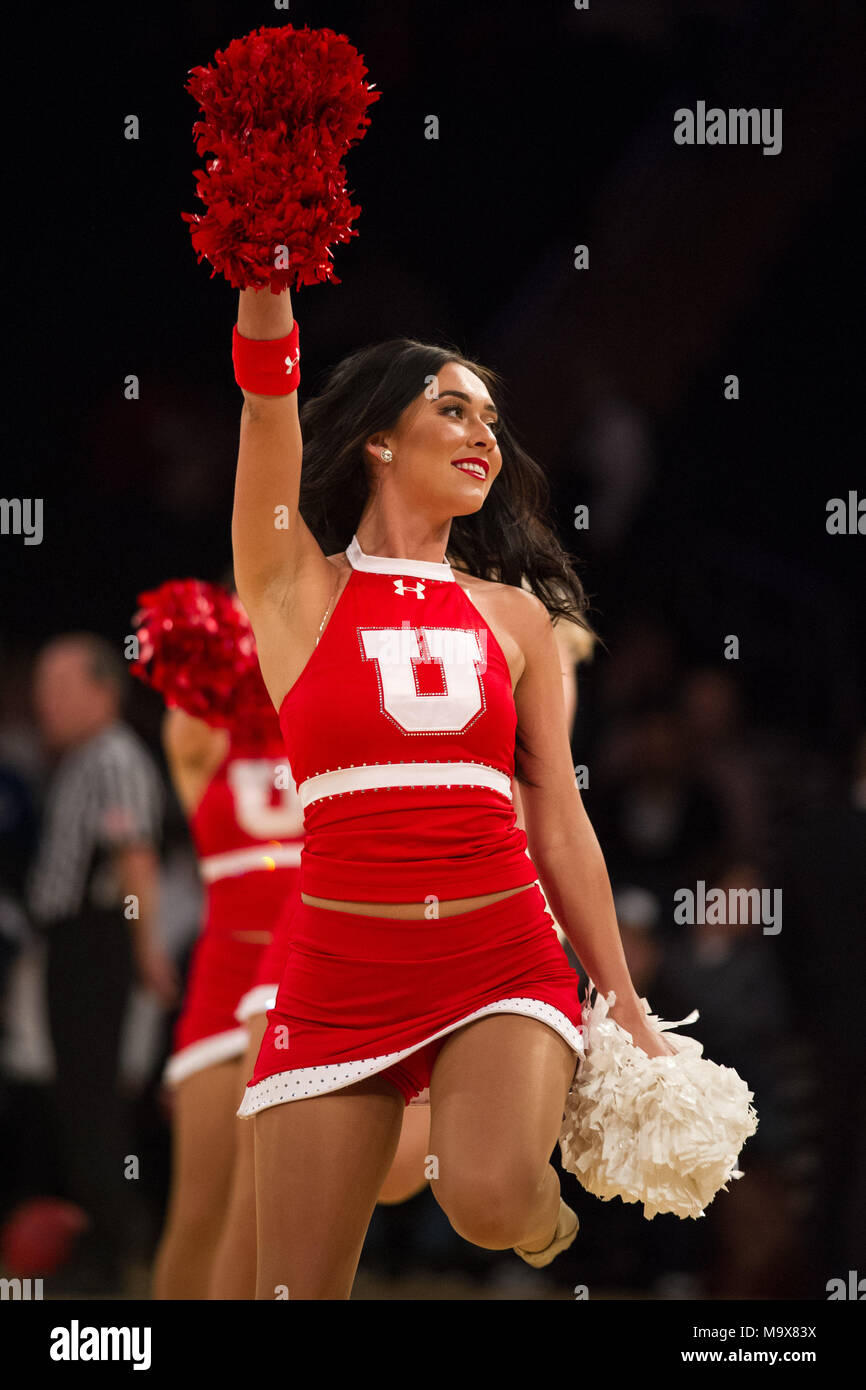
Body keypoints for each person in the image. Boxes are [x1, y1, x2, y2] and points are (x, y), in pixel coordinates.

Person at [229, 284, 675, 1300]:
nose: (482, 431)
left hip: (495, 950)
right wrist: (264, 278)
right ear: (378, 441)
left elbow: (557, 822)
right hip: (338, 967)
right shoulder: (296, 589)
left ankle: (542, 1220)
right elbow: (265, 409)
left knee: (487, 1195)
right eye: (451, 407)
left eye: (489, 416)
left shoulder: (516, 619)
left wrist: (622, 1000)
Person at [27, 632, 173, 1293]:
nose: (43, 703)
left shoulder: (113, 757)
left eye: (58, 688)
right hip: (74, 942)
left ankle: (119, 1248)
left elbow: (134, 858)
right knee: (78, 1100)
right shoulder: (82, 759)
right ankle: (102, 1245)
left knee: (93, 1103)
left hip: (97, 943)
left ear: (101, 692)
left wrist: (145, 952)